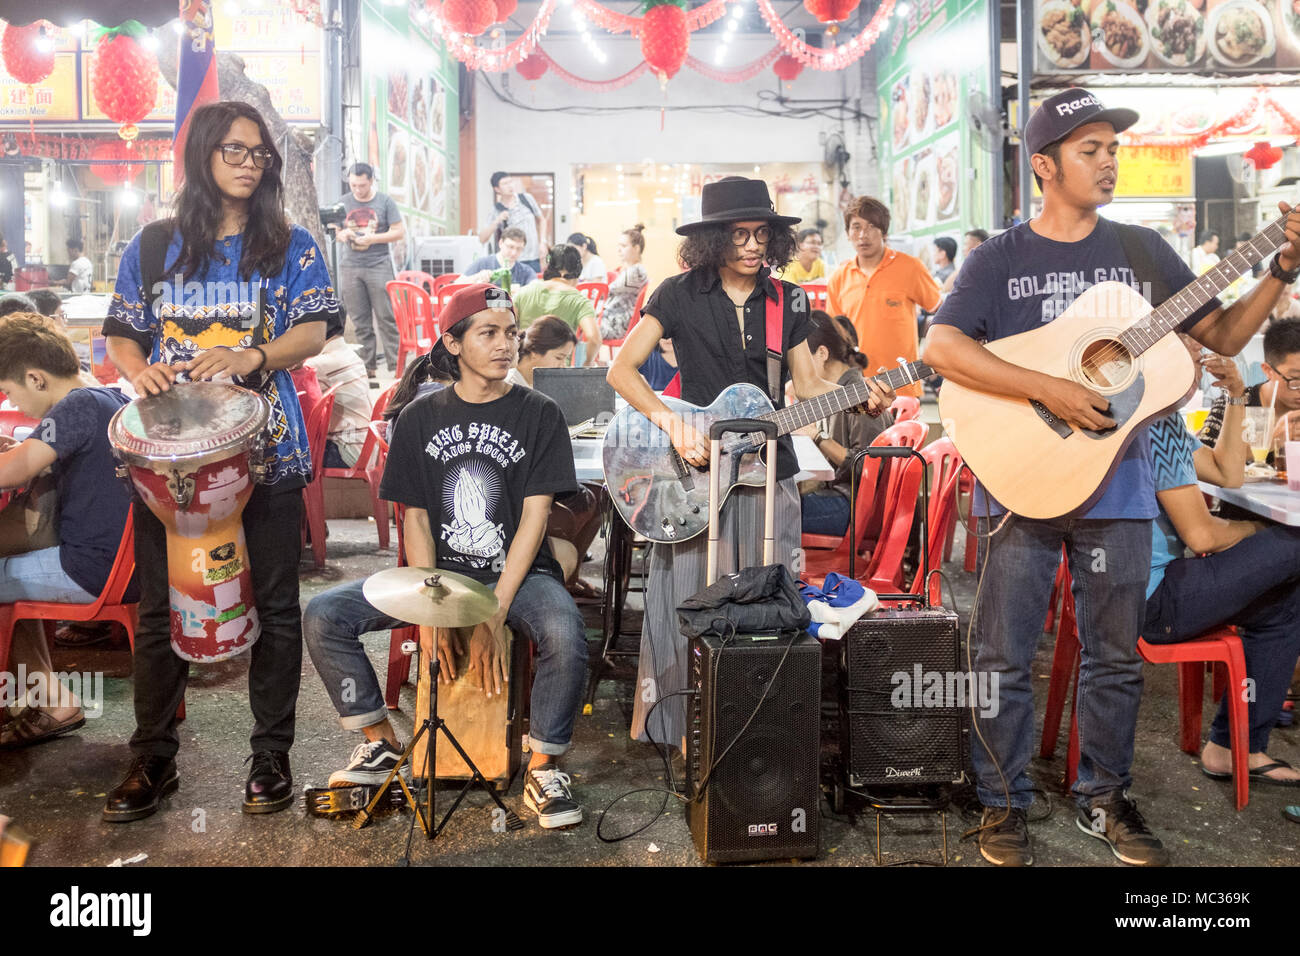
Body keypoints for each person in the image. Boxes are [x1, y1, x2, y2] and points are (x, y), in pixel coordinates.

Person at [925, 87, 1300, 867]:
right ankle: (1002, 804)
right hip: (1020, 481)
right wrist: (1048, 387)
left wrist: (1280, 270)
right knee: (1001, 654)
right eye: (1090, 149)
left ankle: (1105, 796)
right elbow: (942, 349)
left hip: (1120, 489)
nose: (1108, 161)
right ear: (1044, 166)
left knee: (1115, 657)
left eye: (1112, 148)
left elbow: (1223, 333)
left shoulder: (1142, 252)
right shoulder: (1001, 258)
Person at [102, 100, 338, 821]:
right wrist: (138, 368)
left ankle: (270, 756)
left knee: (274, 609)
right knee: (156, 610)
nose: (248, 162)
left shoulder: (290, 243)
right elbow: (120, 331)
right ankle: (152, 757)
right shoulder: (153, 244)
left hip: (264, 455)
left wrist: (253, 354)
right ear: (202, 155)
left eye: (258, 152)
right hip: (167, 461)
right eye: (234, 150)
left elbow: (317, 326)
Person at [606, 176, 888, 750]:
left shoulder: (790, 299)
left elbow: (807, 384)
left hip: (769, 469)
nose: (753, 246)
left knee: (766, 596)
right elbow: (622, 371)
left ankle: (753, 730)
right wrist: (672, 423)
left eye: (762, 234)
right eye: (739, 235)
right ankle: (686, 727)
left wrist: (856, 392)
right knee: (689, 592)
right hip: (695, 472)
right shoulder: (677, 294)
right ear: (713, 240)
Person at [301, 283, 589, 829]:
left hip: (518, 573)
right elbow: (417, 518)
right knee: (324, 614)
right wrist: (428, 605)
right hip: (439, 572)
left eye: (511, 333)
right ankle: (380, 742)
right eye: (488, 333)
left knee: (565, 633)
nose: (505, 344)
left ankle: (546, 765)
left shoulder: (540, 414)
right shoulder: (417, 418)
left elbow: (533, 519)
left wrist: (492, 610)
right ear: (454, 345)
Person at [1143, 392, 1300, 787]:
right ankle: (1234, 745)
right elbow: (1202, 536)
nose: (1200, 359)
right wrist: (1263, 532)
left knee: (1285, 605)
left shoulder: (1162, 419)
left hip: (1127, 591)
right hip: (1150, 603)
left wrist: (1235, 395)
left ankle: (1233, 748)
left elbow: (1228, 475)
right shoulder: (1154, 425)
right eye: (1193, 350)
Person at [0, 314, 133, 748]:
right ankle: (44, 693)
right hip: (127, 566)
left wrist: (16, 455)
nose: (14, 403)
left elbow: (15, 469)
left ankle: (51, 701)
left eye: (10, 391)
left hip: (89, 570)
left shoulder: (76, 406)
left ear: (36, 378)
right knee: (13, 575)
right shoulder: (107, 396)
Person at [827, 196, 941, 398]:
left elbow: (939, 309)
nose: (863, 235)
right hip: (855, 388)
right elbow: (835, 335)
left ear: (884, 232)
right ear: (847, 233)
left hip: (901, 386)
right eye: (856, 227)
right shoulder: (839, 277)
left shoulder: (910, 267)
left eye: (871, 227)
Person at [797, 314, 894, 537]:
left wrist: (818, 436)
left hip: (853, 508)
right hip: (841, 498)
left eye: (800, 360)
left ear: (822, 353)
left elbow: (867, 467)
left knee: (774, 511)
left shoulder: (859, 394)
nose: (797, 369)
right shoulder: (832, 391)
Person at [333, 162, 405, 381]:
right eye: (353, 185)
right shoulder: (343, 202)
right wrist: (342, 234)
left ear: (371, 181)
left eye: (362, 185)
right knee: (359, 319)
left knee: (386, 317)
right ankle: (367, 367)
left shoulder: (385, 201)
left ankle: (397, 367)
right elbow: (335, 228)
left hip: (378, 264)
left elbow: (398, 230)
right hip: (351, 265)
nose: (357, 190)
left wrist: (374, 238)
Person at [304, 303, 375, 469]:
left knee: (290, 456)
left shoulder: (320, 364)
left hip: (347, 450)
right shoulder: (350, 355)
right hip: (365, 446)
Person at [513, 245, 599, 366]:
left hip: (522, 366)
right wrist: (587, 363)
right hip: (556, 371)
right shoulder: (579, 300)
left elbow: (507, 329)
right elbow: (594, 339)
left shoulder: (523, 292)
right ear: (577, 271)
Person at [478, 172, 546, 273]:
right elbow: (482, 238)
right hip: (511, 261)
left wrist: (543, 242)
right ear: (497, 189)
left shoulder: (526, 199)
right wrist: (498, 220)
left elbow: (542, 220)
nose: (510, 186)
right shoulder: (496, 210)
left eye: (510, 182)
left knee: (534, 287)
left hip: (533, 259)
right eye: (505, 184)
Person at [599, 223, 649, 342]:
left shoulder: (636, 272)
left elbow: (605, 292)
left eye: (623, 246)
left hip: (617, 323)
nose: (619, 250)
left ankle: (584, 360)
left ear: (636, 248)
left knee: (580, 325)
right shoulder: (629, 270)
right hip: (610, 318)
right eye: (619, 246)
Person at [506, 314, 575, 388]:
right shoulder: (508, 386)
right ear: (535, 352)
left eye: (566, 358)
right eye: (559, 357)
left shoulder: (536, 385)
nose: (563, 366)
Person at [463, 226, 537, 290]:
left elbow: (536, 287)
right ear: (500, 243)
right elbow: (457, 283)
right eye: (510, 247)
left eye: (519, 249)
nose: (514, 252)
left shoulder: (526, 271)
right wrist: (477, 277)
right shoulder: (482, 263)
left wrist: (521, 289)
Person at [943, 229, 991, 293]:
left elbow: (946, 288)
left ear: (978, 245)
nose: (963, 249)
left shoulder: (976, 269)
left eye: (965, 244)